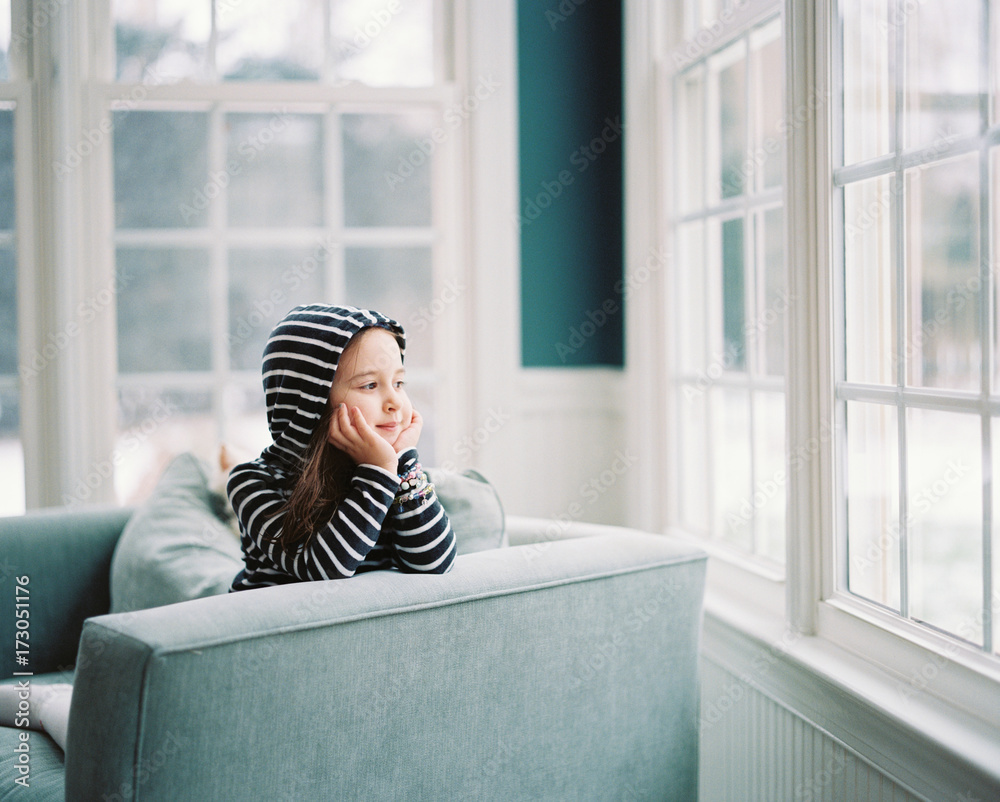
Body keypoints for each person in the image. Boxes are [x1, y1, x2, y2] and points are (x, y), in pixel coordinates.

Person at [227, 303, 456, 590]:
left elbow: (435, 563)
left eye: (398, 382)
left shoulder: (397, 475)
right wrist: (379, 472)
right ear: (310, 402)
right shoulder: (252, 482)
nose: (395, 401)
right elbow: (322, 572)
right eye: (370, 385)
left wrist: (402, 461)